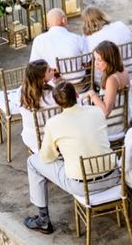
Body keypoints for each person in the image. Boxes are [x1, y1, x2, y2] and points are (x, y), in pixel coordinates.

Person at [24, 80, 110, 234]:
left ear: (58, 104)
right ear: (77, 95)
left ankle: (43, 219)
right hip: (113, 177)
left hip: (83, 186)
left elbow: (47, 157)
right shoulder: (96, 111)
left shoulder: (53, 123)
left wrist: (61, 151)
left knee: (33, 161)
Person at [85, 41, 130, 124]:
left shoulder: (111, 80)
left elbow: (105, 112)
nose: (96, 64)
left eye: (99, 60)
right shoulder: (123, 69)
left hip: (112, 123)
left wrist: (92, 94)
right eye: (95, 59)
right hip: (122, 117)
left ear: (109, 60)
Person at [18, 61, 58, 153]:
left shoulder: (21, 92)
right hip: (49, 141)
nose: (53, 70)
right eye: (49, 70)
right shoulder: (51, 96)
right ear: (41, 78)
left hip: (30, 138)